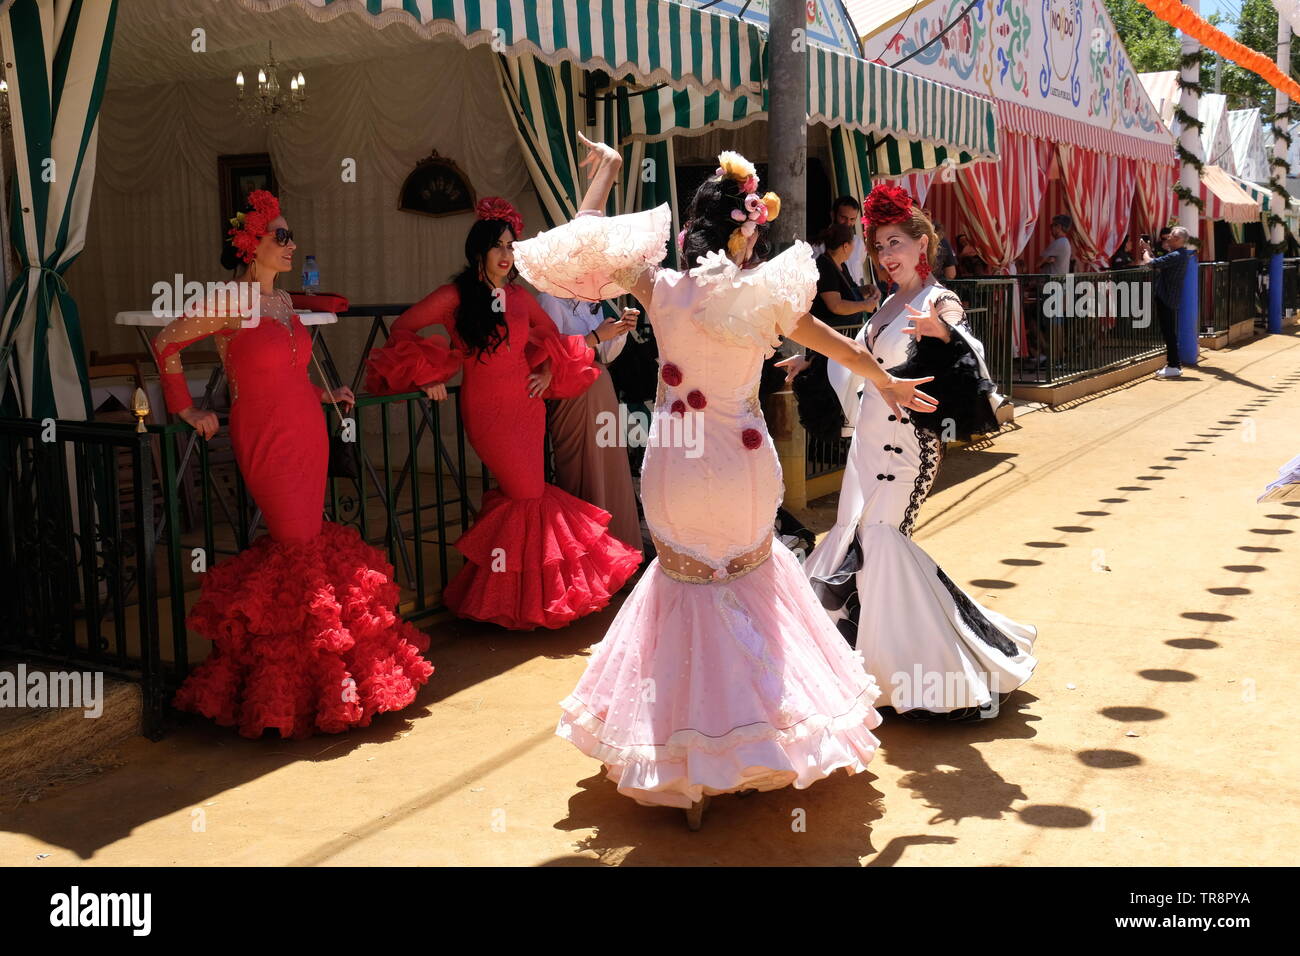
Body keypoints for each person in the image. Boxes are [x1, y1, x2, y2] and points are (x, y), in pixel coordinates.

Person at [512, 138, 939, 828]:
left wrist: (609, 177)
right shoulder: (765, 296)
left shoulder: (662, 287)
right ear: (747, 232)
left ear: (693, 232)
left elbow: (578, 252)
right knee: (747, 582)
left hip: (676, 467)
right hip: (742, 467)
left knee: (686, 585)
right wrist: (883, 380)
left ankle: (689, 767)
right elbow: (838, 342)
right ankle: (757, 742)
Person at [154, 190, 434, 738]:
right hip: (265, 438)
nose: (292, 244)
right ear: (249, 244)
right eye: (280, 236)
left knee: (309, 545)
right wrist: (185, 407)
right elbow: (166, 344)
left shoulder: (282, 304)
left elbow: (287, 371)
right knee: (294, 550)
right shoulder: (227, 301)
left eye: (290, 236)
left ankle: (328, 681)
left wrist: (325, 397)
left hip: (308, 426)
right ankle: (295, 689)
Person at [797, 184, 1038, 721]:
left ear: (922, 242)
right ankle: (870, 667)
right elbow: (862, 359)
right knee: (858, 536)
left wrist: (946, 335)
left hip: (906, 446)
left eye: (896, 242)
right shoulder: (885, 304)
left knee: (883, 541)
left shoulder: (936, 298)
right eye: (879, 246)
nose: (887, 255)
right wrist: (812, 366)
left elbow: (971, 349)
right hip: (868, 443)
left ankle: (930, 678)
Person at [364, 196, 642, 630]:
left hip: (527, 408)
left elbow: (550, 337)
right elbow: (403, 329)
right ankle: (533, 598)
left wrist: (549, 370)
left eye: (512, 247)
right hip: (488, 414)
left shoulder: (519, 296)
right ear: (478, 250)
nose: (506, 255)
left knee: (525, 498)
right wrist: (425, 374)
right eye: (498, 246)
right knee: (529, 496)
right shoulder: (453, 295)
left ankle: (518, 599)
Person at [533, 292, 644, 555]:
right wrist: (595, 337)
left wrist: (620, 331)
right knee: (583, 471)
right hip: (573, 392)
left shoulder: (588, 303)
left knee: (609, 468)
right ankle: (588, 556)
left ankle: (617, 552)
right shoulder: (549, 300)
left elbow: (605, 355)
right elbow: (550, 354)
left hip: (599, 385)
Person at [785, 223, 878, 441]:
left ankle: (839, 439)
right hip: (827, 346)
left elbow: (845, 292)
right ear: (846, 246)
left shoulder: (839, 266)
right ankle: (827, 444)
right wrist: (865, 306)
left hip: (836, 347)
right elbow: (835, 305)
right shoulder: (825, 266)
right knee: (829, 398)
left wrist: (863, 291)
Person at [1140, 224, 1194, 378]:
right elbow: (1159, 262)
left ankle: (1173, 365)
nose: (1168, 238)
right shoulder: (1179, 254)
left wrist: (1144, 252)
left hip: (1167, 297)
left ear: (1177, 239)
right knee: (1169, 331)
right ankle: (1173, 364)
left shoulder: (1176, 255)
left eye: (1171, 236)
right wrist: (1149, 252)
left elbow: (1151, 264)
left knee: (1169, 332)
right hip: (1170, 297)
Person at [812, 195, 868, 287]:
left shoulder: (858, 243)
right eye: (843, 217)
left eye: (852, 219)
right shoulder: (818, 245)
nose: (847, 223)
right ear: (833, 215)